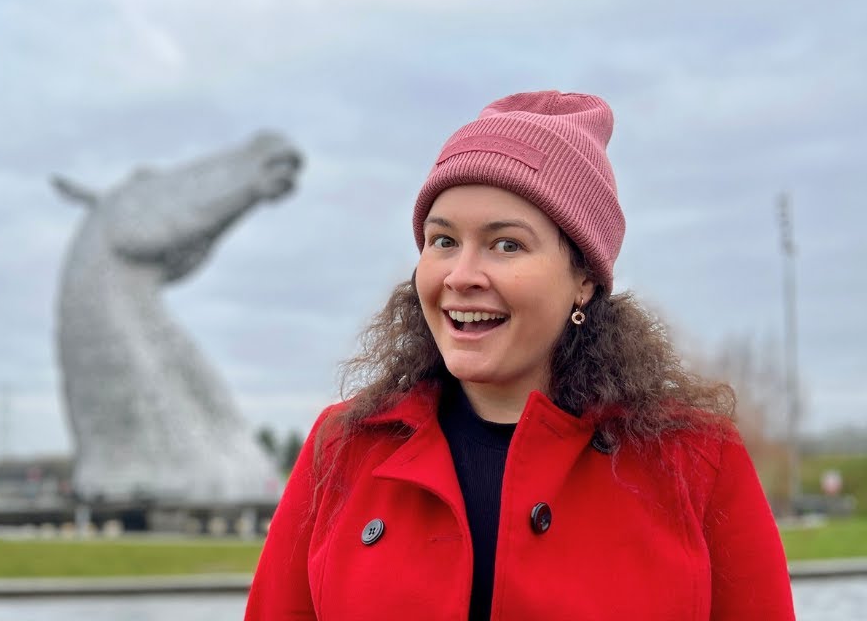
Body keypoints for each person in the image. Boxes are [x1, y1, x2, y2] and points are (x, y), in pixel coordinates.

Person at [245, 91, 795, 620]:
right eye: (443, 241)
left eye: (506, 244)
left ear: (583, 278)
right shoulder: (341, 448)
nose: (461, 276)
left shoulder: (696, 462)